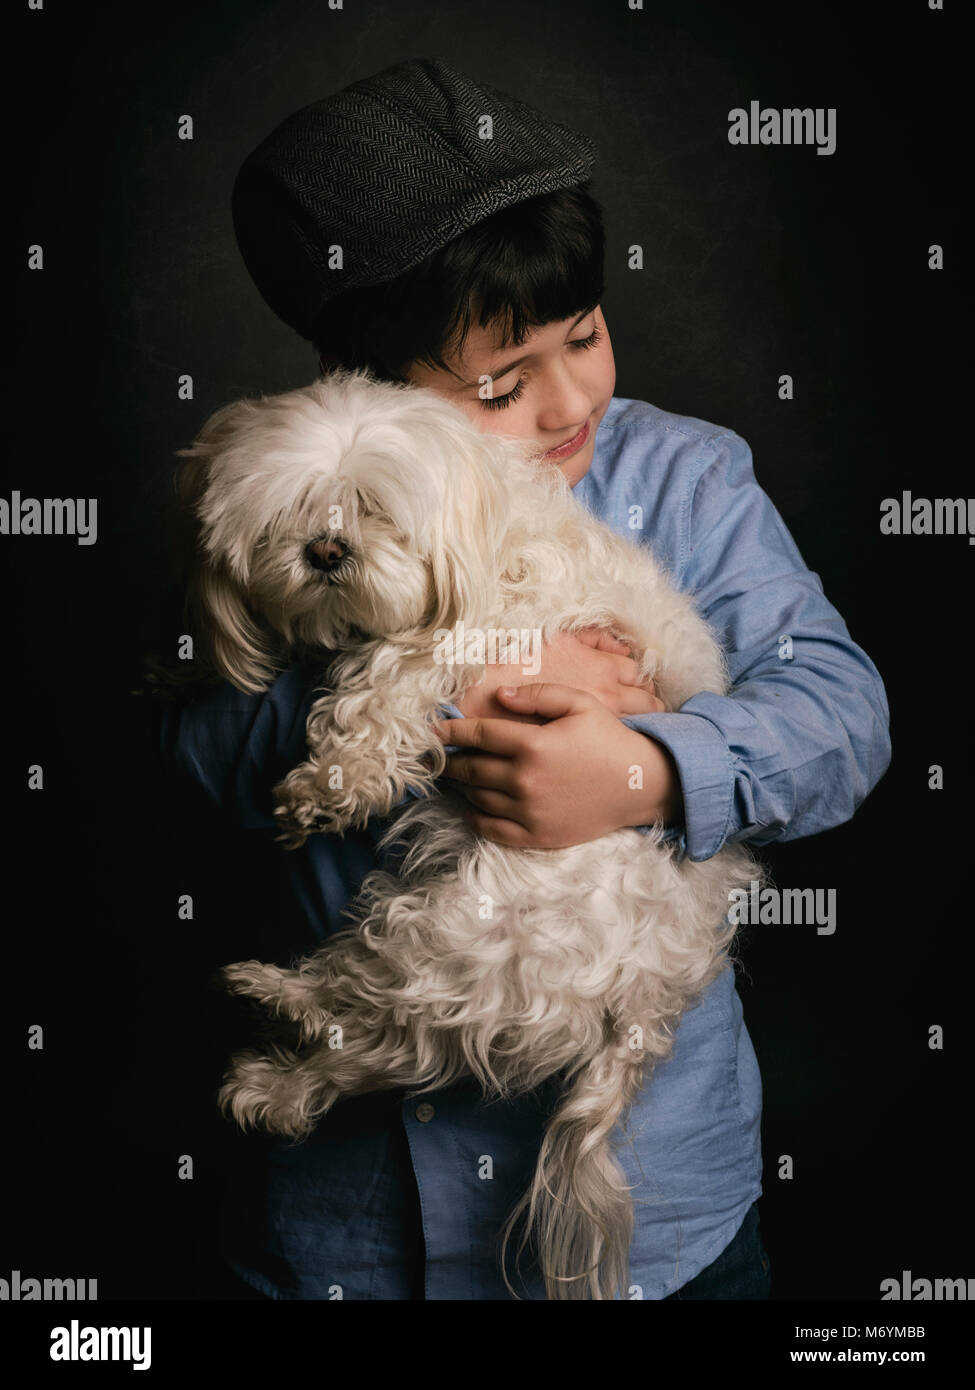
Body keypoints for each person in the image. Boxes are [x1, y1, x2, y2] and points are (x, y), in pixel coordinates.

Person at [155, 58, 891, 1300]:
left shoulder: (691, 481)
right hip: (351, 1218)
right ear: (378, 394)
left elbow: (845, 718)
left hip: (662, 1210)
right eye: (498, 383)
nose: (568, 399)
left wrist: (646, 767)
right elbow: (201, 751)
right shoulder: (288, 498)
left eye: (588, 335)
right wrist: (480, 680)